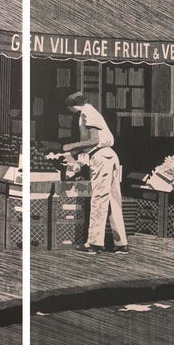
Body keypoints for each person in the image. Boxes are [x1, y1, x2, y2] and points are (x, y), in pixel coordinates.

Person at [62, 91, 128, 255]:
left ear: (72, 106)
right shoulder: (90, 111)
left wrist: (71, 146)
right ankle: (121, 244)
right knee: (113, 200)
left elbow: (94, 140)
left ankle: (94, 243)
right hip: (109, 156)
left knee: (99, 198)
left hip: (101, 156)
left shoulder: (87, 113)